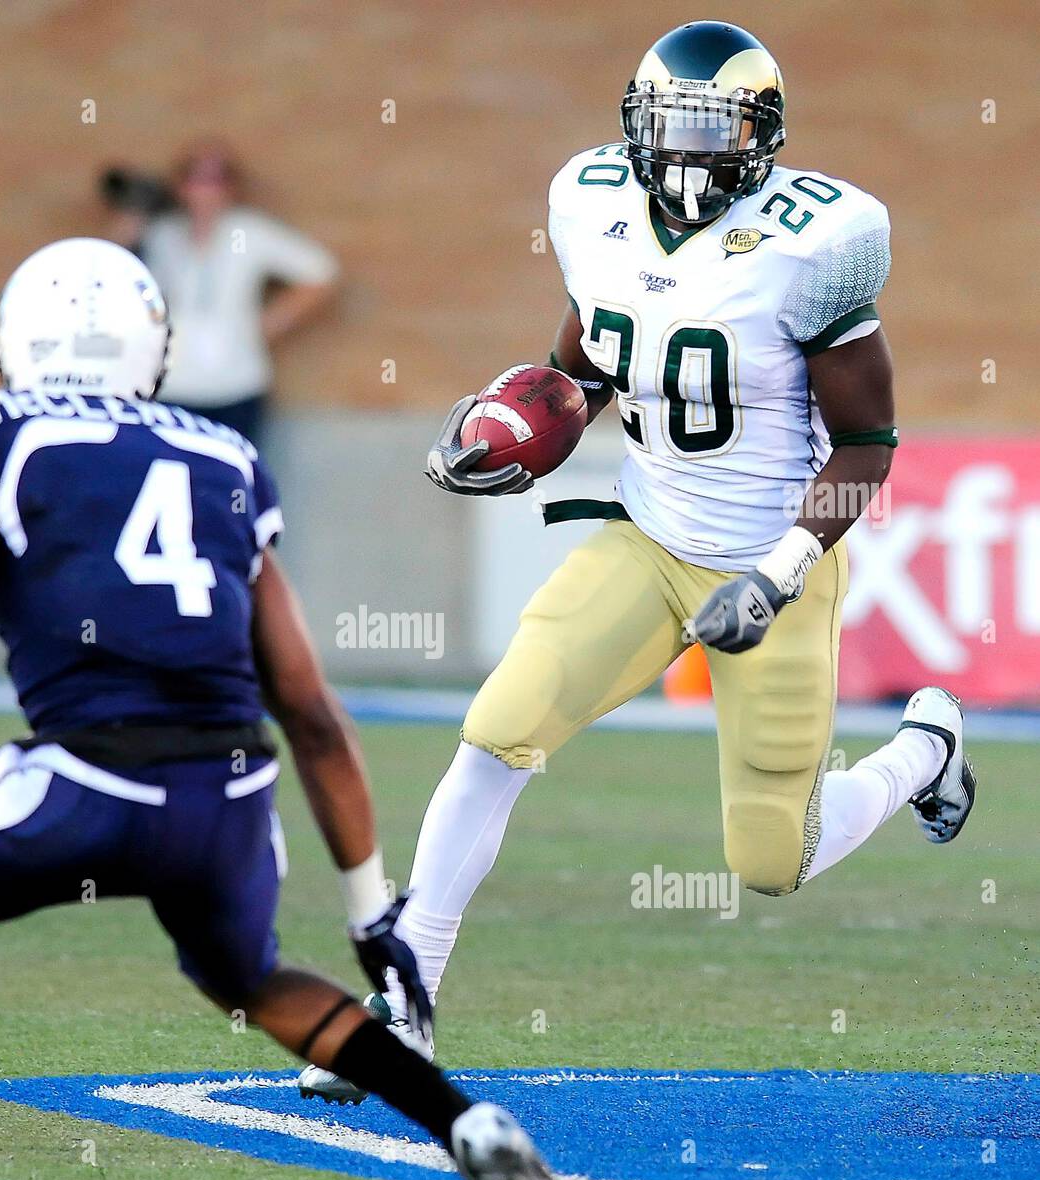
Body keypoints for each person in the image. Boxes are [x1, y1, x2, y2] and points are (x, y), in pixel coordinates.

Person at [0, 238, 576, 1180]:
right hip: (226, 795)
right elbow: (309, 705)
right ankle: (463, 1123)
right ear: (155, 345)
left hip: (83, 777)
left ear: (16, 339)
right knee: (253, 981)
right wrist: (371, 912)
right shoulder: (222, 453)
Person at [300, 21, 976, 1103]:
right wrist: (513, 430)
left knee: (773, 862)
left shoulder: (817, 241)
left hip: (770, 561)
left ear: (759, 139)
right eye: (670, 126)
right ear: (634, 122)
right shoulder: (591, 202)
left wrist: (778, 570)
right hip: (646, 538)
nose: (687, 153)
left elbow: (866, 445)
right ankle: (406, 1006)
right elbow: (586, 364)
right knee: (495, 728)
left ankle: (925, 747)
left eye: (713, 130)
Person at [115, 141, 338, 446]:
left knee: (233, 477)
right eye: (195, 179)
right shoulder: (162, 234)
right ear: (180, 186)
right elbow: (120, 281)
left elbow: (321, 272)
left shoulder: (249, 232)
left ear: (232, 188)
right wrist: (128, 229)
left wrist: (267, 325)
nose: (204, 190)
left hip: (235, 384)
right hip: (171, 385)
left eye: (216, 180)